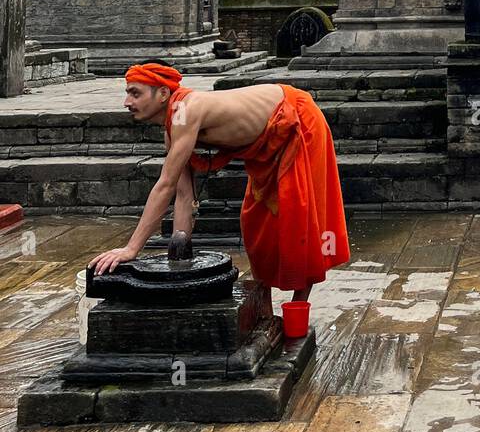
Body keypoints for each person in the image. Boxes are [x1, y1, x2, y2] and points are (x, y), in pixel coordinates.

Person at [89, 64, 350, 303]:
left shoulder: (185, 110)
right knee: (256, 223)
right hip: (267, 147)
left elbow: (164, 185)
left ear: (163, 95)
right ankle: (263, 309)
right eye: (127, 94)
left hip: (298, 120)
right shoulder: (173, 129)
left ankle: (298, 307)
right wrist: (180, 259)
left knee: (297, 215)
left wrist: (131, 248)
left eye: (135, 93)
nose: (127, 102)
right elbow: (182, 197)